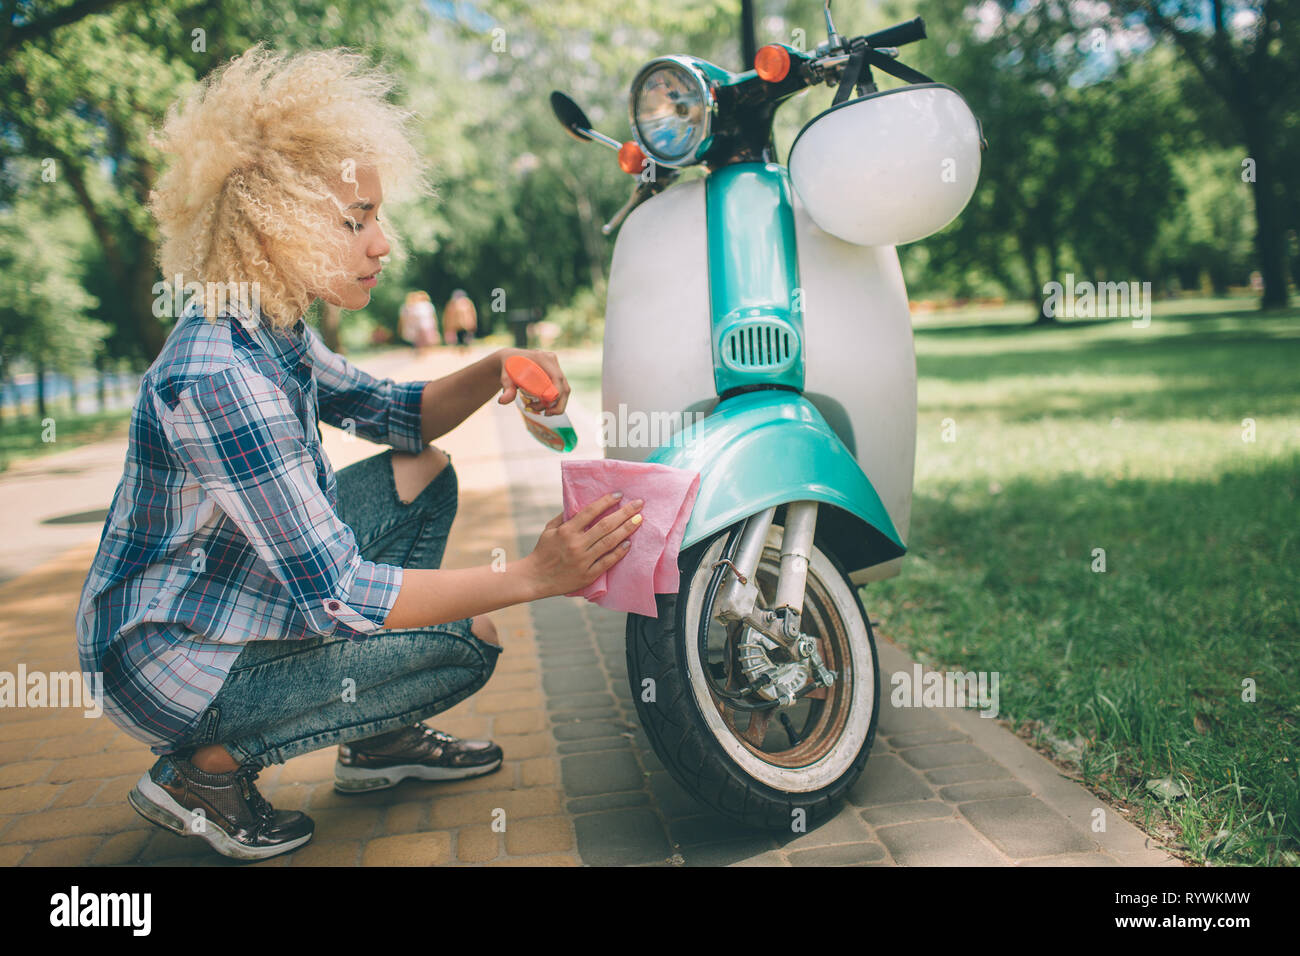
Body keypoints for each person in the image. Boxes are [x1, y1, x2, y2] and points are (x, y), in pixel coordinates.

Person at [75, 45, 643, 862]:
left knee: (424, 472)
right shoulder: (220, 376)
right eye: (356, 221)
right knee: (468, 639)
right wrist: (534, 576)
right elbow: (340, 593)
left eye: (376, 215)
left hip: (224, 601)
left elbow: (399, 417)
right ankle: (202, 772)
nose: (384, 243)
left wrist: (494, 369)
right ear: (274, 222)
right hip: (167, 662)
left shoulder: (271, 326)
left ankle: (377, 742)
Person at [399, 290, 438, 357]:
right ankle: (420, 352)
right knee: (419, 339)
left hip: (424, 325)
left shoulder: (426, 306)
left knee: (425, 339)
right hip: (417, 326)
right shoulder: (408, 307)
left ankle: (423, 352)